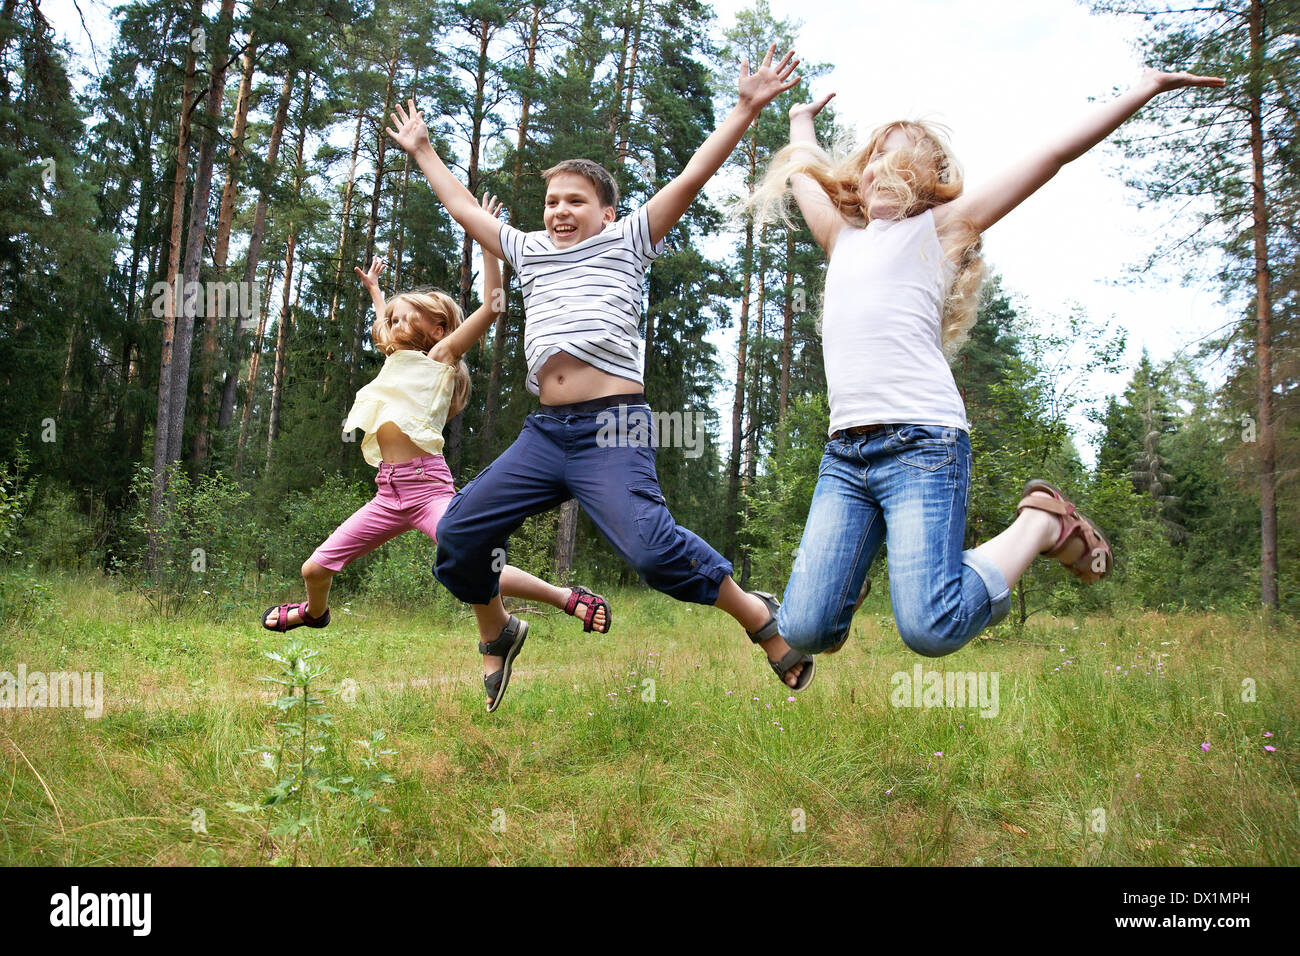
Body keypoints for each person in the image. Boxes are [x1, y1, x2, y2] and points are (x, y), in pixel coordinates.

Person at [385, 45, 816, 709]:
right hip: (544, 435)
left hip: (611, 428)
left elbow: (694, 176)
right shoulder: (527, 251)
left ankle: (754, 611)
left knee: (649, 550)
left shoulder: (630, 240)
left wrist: (745, 107)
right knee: (460, 534)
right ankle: (497, 632)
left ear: (606, 214)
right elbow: (465, 209)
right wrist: (422, 151)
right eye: (552, 200)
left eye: (576, 201)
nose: (559, 210)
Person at [751, 68, 1224, 658]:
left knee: (930, 626)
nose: (881, 171)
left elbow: (1052, 155)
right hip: (845, 454)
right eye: (874, 160)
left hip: (921, 445)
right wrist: (800, 119)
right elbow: (802, 174)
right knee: (804, 629)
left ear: (928, 185)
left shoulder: (941, 229)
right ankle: (844, 581)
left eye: (902, 164)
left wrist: (1144, 89)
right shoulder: (840, 237)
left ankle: (1042, 524)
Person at [260, 196, 611, 712]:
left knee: (473, 558)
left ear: (438, 331)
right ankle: (315, 615)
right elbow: (387, 322)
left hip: (427, 489)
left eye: (405, 319)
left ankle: (566, 599)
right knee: (315, 569)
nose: (391, 325)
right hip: (387, 493)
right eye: (391, 319)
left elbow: (493, 307)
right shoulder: (395, 354)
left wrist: (488, 242)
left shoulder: (441, 358)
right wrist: (377, 291)